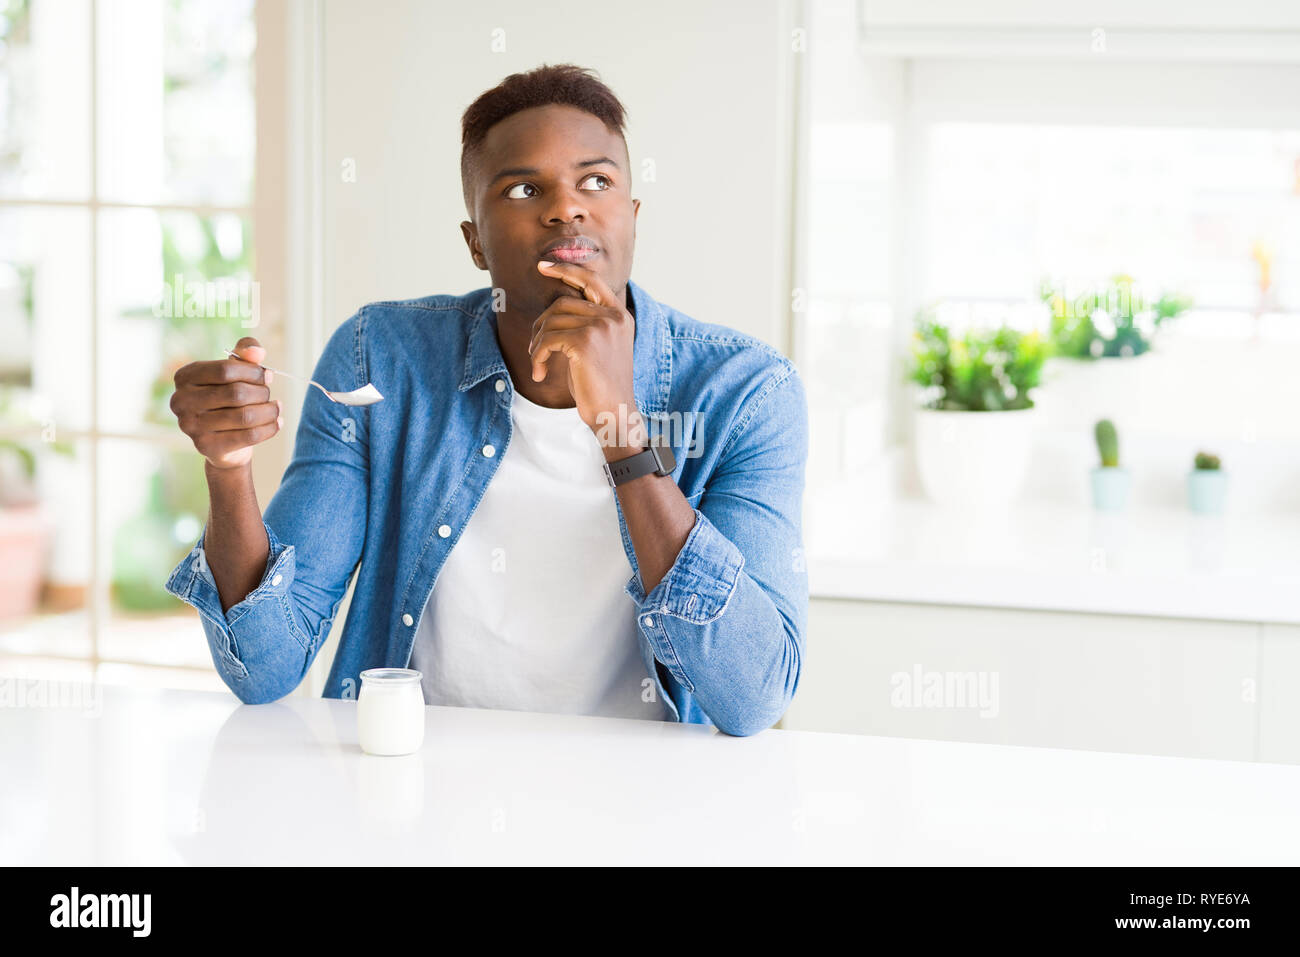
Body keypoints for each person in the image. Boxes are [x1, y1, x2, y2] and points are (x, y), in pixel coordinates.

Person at [165, 63, 808, 736]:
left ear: (632, 218)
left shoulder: (749, 395)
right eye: (525, 188)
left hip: (642, 810)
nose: (567, 207)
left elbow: (755, 695)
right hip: (416, 793)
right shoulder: (379, 359)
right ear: (475, 242)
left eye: (596, 180)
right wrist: (228, 467)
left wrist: (621, 429)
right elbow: (262, 669)